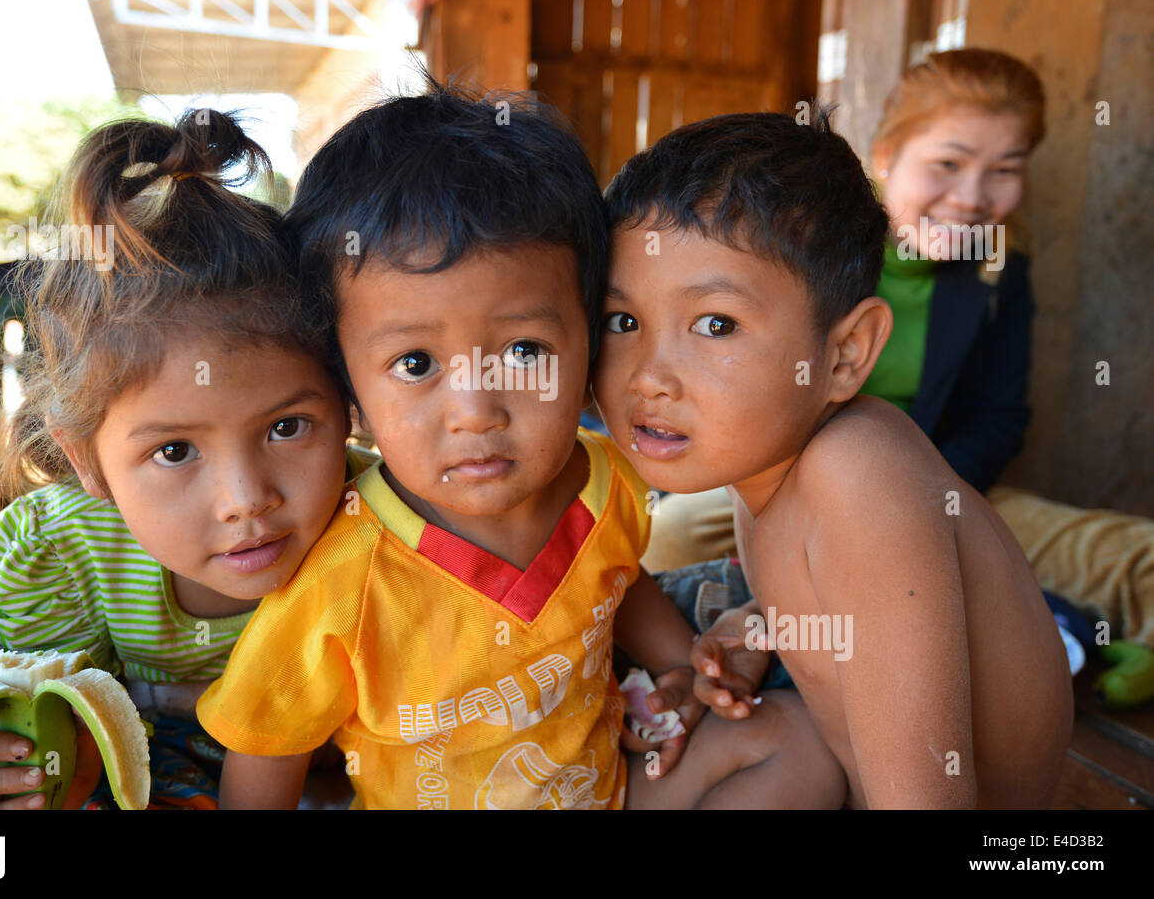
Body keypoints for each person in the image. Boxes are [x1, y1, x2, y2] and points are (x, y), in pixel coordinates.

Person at [197, 80, 845, 810]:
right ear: (348, 391)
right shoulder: (338, 582)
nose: (475, 411)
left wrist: (675, 665)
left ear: (590, 338)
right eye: (416, 364)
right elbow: (263, 756)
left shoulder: (606, 481)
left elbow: (616, 581)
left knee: (799, 744)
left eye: (526, 350)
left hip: (614, 790)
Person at [0, 109, 367, 809]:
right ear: (88, 462)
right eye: (174, 449)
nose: (245, 498)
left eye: (287, 426)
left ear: (348, 403)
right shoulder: (64, 551)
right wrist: (42, 754)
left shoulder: (381, 523)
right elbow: (56, 726)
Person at [592, 108, 1073, 807]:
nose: (648, 376)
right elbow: (857, 606)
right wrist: (759, 627)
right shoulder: (765, 458)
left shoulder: (858, 472)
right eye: (623, 321)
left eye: (715, 324)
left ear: (844, 354)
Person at [641, 48, 1154, 654]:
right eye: (948, 163)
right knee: (661, 537)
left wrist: (911, 496)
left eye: (1005, 170)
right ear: (885, 156)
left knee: (1139, 558)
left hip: (940, 489)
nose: (972, 196)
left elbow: (998, 419)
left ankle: (1066, 628)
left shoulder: (998, 273)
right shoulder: (811, 253)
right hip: (770, 486)